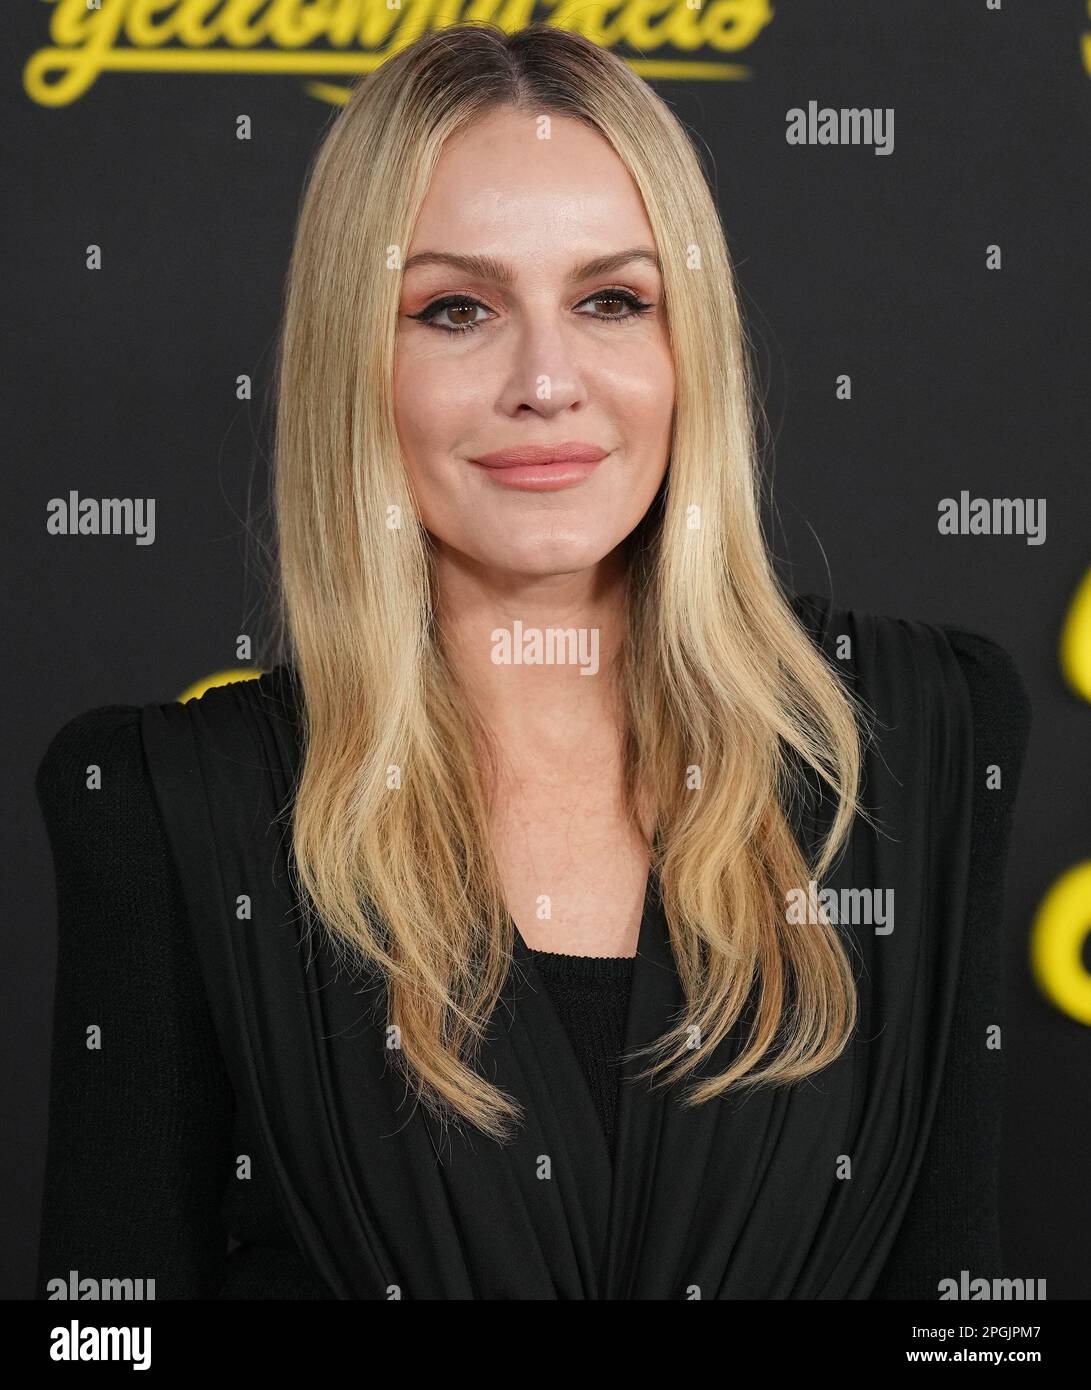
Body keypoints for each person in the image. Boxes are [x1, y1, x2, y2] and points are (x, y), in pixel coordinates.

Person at [35, 23, 1031, 1300]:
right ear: (356, 361)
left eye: (611, 300)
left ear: (691, 348)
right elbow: (97, 1331)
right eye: (456, 310)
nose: (546, 381)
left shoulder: (914, 733)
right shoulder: (170, 804)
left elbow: (959, 1315)